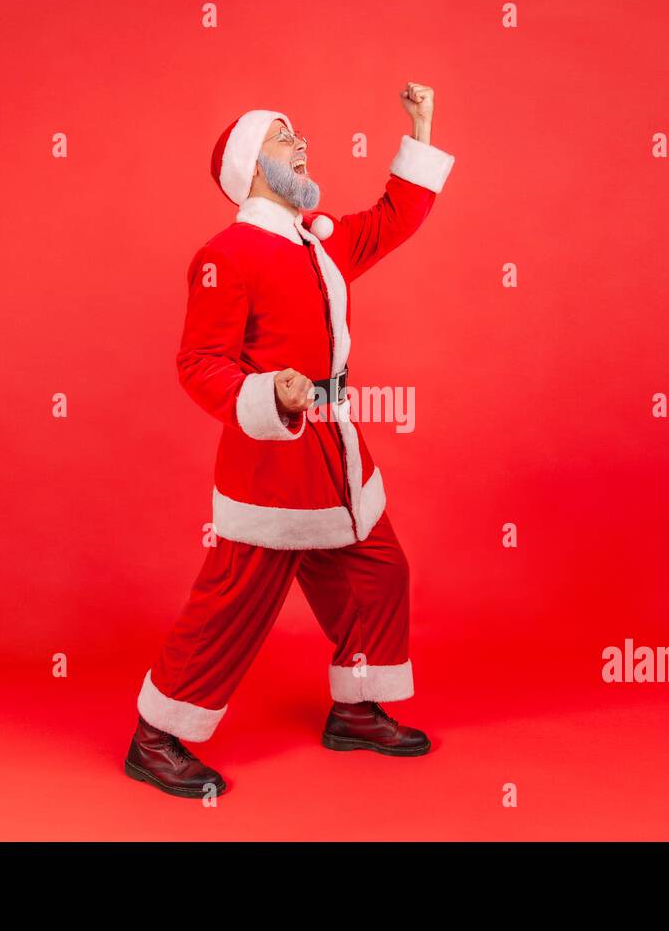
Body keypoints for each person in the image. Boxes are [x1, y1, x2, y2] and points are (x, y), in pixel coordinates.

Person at [125, 82, 455, 799]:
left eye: (299, 132)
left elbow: (394, 218)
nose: (301, 142)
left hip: (336, 452)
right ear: (251, 167)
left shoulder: (323, 243)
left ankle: (356, 708)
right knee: (234, 602)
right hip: (271, 462)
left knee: (379, 573)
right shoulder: (226, 255)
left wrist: (422, 129)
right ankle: (155, 738)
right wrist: (268, 393)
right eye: (283, 136)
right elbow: (199, 363)